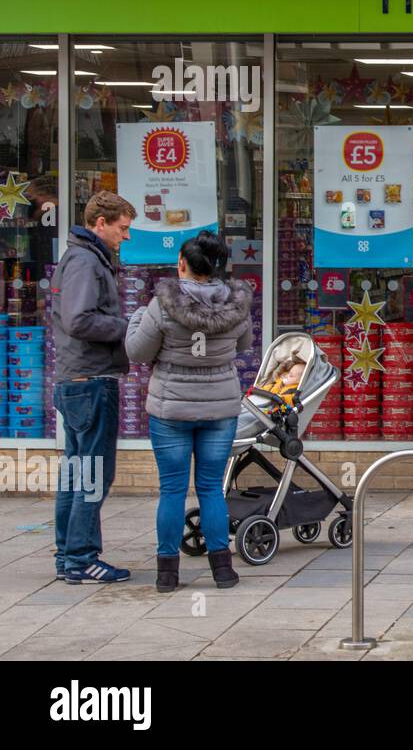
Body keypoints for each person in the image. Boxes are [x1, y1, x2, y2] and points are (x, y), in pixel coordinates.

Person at [125, 230, 253, 593]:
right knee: (211, 489)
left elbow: (137, 351)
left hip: (171, 407)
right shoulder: (236, 303)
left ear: (181, 263)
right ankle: (223, 570)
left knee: (172, 490)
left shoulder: (161, 304)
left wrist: (136, 320)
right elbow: (243, 344)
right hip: (220, 407)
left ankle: (167, 573)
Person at [51, 190, 136, 583]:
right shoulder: (86, 262)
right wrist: (128, 327)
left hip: (77, 378)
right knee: (94, 474)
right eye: (122, 228)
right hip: (90, 380)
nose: (127, 237)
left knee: (76, 473)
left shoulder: (81, 258)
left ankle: (68, 555)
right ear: (100, 224)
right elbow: (79, 320)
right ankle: (82, 557)